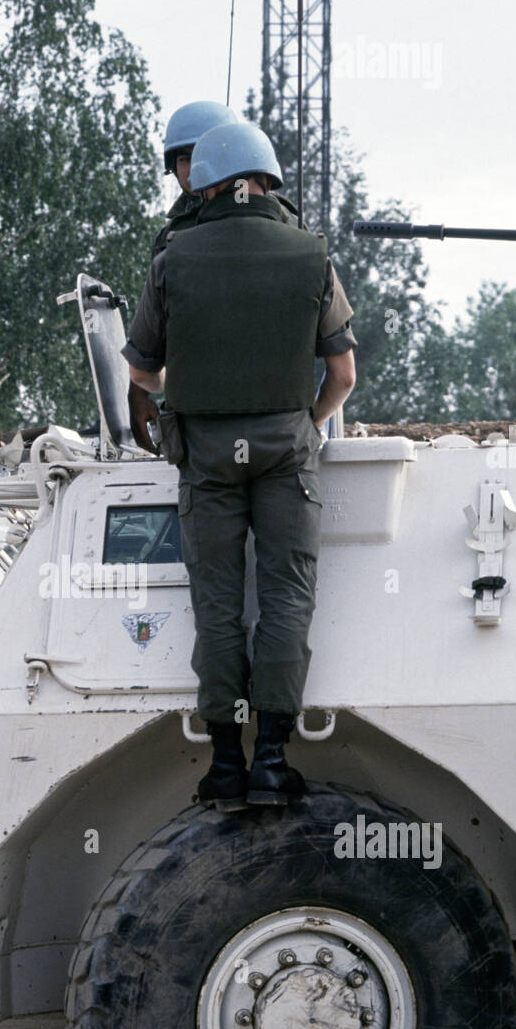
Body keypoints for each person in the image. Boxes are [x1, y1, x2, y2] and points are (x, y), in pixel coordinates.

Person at [122, 121, 357, 807]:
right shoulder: (311, 254)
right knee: (286, 598)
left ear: (210, 182)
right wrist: (303, 426)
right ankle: (274, 764)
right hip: (286, 449)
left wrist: (186, 386)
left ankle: (225, 765)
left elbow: (142, 370)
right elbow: (341, 376)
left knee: (217, 604)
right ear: (267, 179)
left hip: (205, 456)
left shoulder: (174, 257)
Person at [130, 103, 302, 456]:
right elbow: (157, 330)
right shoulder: (171, 239)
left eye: (203, 154)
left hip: (271, 400)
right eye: (184, 160)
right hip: (199, 406)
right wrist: (140, 389)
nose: (196, 169)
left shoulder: (278, 223)